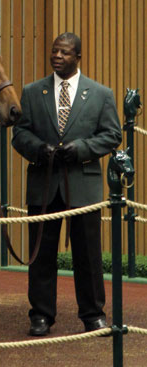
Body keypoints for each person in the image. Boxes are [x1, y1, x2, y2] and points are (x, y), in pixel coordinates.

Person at [12, 32, 122, 336]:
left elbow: (113, 135)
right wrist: (39, 149)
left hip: (83, 186)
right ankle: (41, 316)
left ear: (78, 57)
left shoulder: (100, 94)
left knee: (88, 255)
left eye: (64, 52)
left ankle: (92, 315)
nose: (57, 56)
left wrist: (82, 149)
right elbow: (19, 135)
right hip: (43, 185)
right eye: (54, 51)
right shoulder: (33, 92)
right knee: (41, 254)